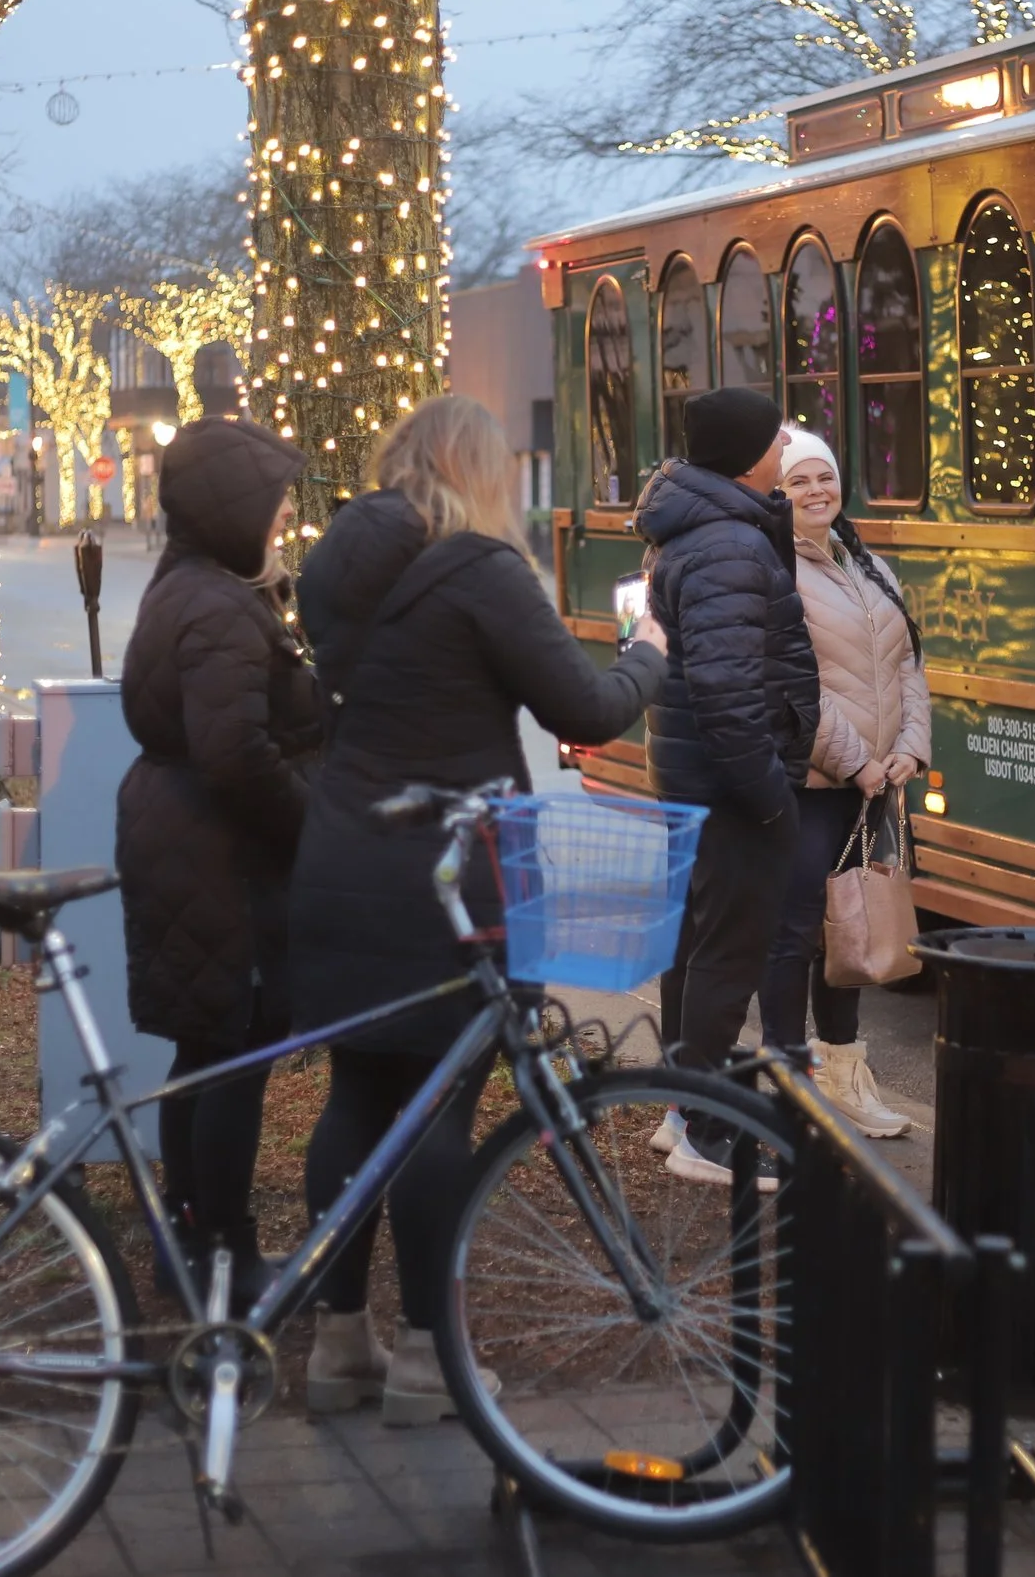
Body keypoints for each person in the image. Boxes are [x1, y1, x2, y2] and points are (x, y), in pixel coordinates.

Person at [290, 394, 666, 1423]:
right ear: (478, 467)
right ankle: (425, 1357)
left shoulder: (336, 568)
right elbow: (582, 711)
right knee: (440, 1115)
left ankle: (336, 1345)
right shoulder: (481, 569)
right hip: (447, 872)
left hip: (341, 854)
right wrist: (648, 649)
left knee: (356, 1097)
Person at [116, 417, 321, 1316]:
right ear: (232, 507)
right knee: (232, 1053)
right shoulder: (218, 606)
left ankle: (186, 1241)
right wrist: (314, 825)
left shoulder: (192, 589)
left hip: (187, 839)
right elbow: (235, 750)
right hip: (220, 854)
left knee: (203, 1052)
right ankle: (225, 1255)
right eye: (273, 500)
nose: (283, 516)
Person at [632, 386, 820, 1187]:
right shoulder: (730, 546)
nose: (787, 448)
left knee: (700, 947)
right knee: (727, 956)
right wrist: (773, 795)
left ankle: (682, 1110)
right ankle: (705, 1132)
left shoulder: (702, 528)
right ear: (748, 453)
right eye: (776, 438)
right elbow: (725, 690)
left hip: (697, 776)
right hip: (733, 785)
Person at [759, 429, 926, 1137]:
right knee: (794, 936)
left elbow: (909, 668)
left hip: (870, 786)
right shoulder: (776, 572)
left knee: (850, 937)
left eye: (825, 477)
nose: (817, 491)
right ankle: (786, 1086)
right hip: (813, 785)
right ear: (778, 493)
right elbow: (794, 690)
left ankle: (846, 1075)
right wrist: (858, 760)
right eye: (800, 481)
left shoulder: (868, 564)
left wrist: (909, 753)